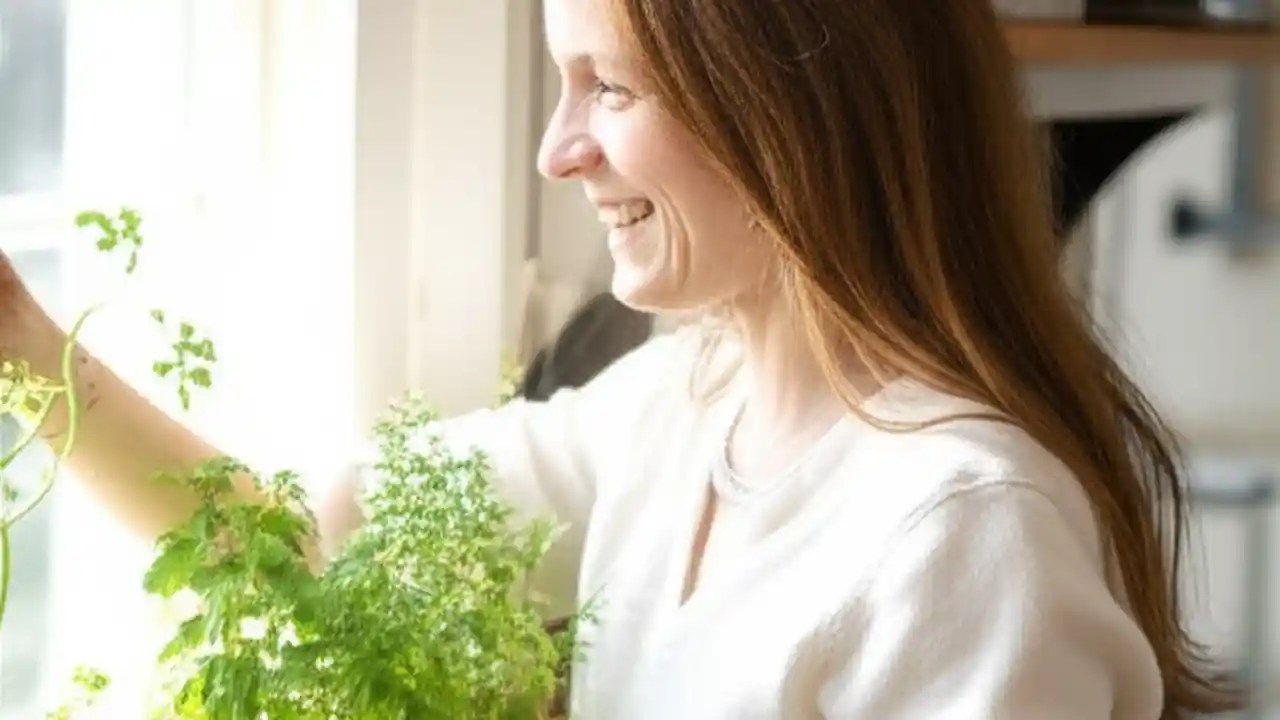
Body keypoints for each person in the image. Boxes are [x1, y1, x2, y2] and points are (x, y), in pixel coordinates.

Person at [0, 0, 1239, 718]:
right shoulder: (677, 405)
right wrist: (27, 350)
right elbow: (296, 545)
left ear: (790, 113)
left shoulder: (964, 535)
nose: (557, 150)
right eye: (561, 84)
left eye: (609, 89)